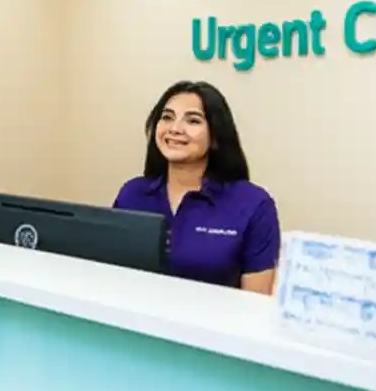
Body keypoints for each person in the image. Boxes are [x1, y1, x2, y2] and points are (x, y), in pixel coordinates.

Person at [112, 80, 280, 293]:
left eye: (192, 121)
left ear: (215, 137)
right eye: (167, 117)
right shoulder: (132, 194)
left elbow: (256, 305)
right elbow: (113, 278)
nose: (175, 129)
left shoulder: (254, 205)